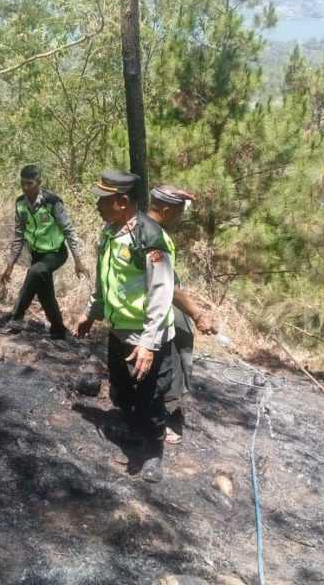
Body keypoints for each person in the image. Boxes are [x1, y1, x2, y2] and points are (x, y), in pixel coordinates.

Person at [76, 169, 175, 483]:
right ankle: (133, 432)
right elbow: (105, 278)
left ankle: (152, 453)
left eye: (103, 200)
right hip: (119, 329)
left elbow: (162, 291)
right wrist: (92, 312)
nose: (97, 205)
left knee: (150, 396)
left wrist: (149, 342)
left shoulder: (150, 238)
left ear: (121, 202)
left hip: (146, 334)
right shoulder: (110, 232)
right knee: (121, 389)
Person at [147, 185, 218, 444]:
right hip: (150, 304)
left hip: (147, 299)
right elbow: (168, 287)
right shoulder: (155, 236)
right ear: (166, 210)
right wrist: (198, 314)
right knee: (181, 338)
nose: (181, 218)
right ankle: (168, 411)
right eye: (179, 212)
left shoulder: (141, 225)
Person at [1, 164, 89, 339]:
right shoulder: (20, 204)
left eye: (30, 183)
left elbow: (69, 231)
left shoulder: (52, 202)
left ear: (39, 182)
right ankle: (58, 330)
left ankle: (16, 318)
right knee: (44, 292)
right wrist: (10, 265)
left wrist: (78, 261)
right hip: (37, 254)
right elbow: (19, 236)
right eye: (22, 184)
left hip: (56, 253)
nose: (25, 188)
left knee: (35, 272)